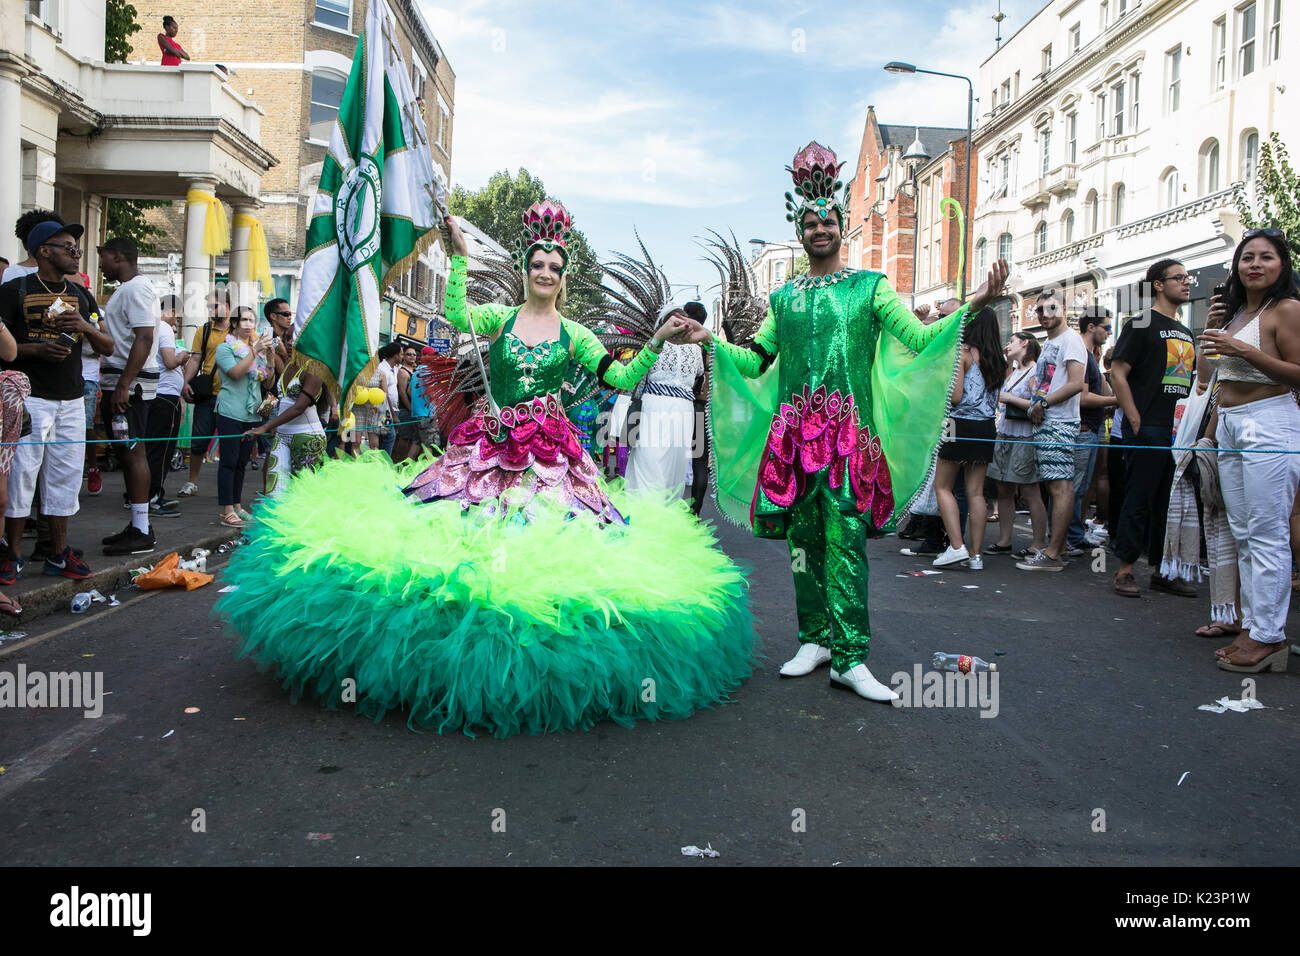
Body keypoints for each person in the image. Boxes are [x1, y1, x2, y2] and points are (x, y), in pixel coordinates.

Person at [216, 202, 757, 736]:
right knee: (460, 536)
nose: (545, 274)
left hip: (551, 457)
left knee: (547, 542)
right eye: (537, 265)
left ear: (563, 277)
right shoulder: (501, 318)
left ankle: (537, 659)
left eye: (555, 267)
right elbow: (455, 314)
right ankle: (446, 648)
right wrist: (459, 257)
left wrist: (657, 342)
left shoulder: (575, 334)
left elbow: (618, 379)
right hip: (486, 448)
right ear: (525, 272)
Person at [695, 141, 1008, 701]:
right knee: (803, 542)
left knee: (845, 543)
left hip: (847, 443)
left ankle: (850, 655)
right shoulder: (784, 296)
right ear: (801, 229)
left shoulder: (871, 288)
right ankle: (814, 639)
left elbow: (917, 338)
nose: (820, 228)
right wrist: (712, 344)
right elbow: (757, 358)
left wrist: (975, 302)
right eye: (810, 221)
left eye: (828, 220)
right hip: (793, 441)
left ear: (842, 226)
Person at [1198, 229, 1300, 673]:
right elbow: (1206, 374)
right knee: (1243, 533)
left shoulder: (1287, 310)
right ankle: (1255, 627)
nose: (1255, 264)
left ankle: (1269, 637)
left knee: (1267, 533)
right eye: (1247, 257)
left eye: (1266, 257)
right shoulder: (1237, 313)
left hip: (1270, 422)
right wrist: (1214, 332)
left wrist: (1242, 347)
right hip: (1233, 426)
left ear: (1283, 266)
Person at [0, 222, 112, 581]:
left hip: (71, 398)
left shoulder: (81, 295)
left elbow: (107, 346)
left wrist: (84, 325)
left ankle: (59, 553)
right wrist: (35, 349)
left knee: (64, 477)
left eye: (76, 248)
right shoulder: (14, 290)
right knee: (22, 476)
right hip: (29, 397)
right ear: (43, 251)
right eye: (68, 247)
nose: (76, 253)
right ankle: (11, 555)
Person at [1109, 259, 1197, 598]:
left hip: (1177, 432)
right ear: (1158, 284)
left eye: (1187, 278)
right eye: (1179, 278)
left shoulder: (1186, 331)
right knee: (1139, 498)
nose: (1186, 283)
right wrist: (1134, 419)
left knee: (1169, 503)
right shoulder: (1141, 322)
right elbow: (1118, 372)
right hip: (1147, 427)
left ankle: (1163, 570)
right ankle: (1125, 570)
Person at [96, 238, 160, 556]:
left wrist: (124, 384)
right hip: (122, 381)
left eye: (104, 257)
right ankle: (139, 524)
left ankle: (141, 529)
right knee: (127, 451)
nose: (101, 264)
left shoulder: (136, 288)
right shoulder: (129, 289)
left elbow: (144, 338)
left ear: (119, 257)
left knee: (133, 451)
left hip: (130, 386)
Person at [1016, 289, 1086, 572]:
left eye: (1051, 308)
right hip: (1047, 421)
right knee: (1055, 486)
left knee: (1060, 487)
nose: (1044, 314)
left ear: (1064, 310)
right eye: (1040, 310)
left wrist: (1041, 402)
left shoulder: (1071, 340)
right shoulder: (1052, 342)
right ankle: (1054, 549)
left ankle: (1054, 553)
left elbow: (1076, 383)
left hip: (1058, 422)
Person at [932, 307, 1006, 570]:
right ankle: (976, 555)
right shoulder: (1000, 360)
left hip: (958, 423)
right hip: (986, 428)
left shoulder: (963, 353)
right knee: (976, 492)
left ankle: (955, 546)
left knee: (942, 487)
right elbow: (995, 401)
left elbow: (955, 396)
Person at [624, 303, 705, 498]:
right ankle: (662, 516)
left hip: (657, 406)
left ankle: (645, 515)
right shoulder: (695, 349)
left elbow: (637, 375)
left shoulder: (655, 345)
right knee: (670, 467)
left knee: (651, 464)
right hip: (679, 410)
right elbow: (699, 376)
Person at [988, 331, 1048, 557]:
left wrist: (1010, 399)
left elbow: (1040, 404)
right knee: (1004, 488)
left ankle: (1038, 543)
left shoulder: (1034, 371)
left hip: (1024, 436)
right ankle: (1004, 540)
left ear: (1025, 343)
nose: (1007, 345)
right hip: (1004, 433)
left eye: (1012, 341)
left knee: (1029, 490)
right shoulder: (1013, 371)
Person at [213, 308, 272, 527]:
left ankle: (237, 505)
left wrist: (271, 358)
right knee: (229, 460)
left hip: (252, 412)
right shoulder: (225, 348)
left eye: (252, 320)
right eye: (243, 320)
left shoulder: (256, 349)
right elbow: (235, 373)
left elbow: (267, 382)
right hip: (230, 410)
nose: (248, 324)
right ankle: (227, 509)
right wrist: (255, 351)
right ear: (235, 323)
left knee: (242, 461)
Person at [1066, 306, 1118, 555]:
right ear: (1091, 327)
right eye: (1106, 327)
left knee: (1083, 486)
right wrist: (1115, 401)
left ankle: (1074, 534)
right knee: (1074, 487)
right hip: (1084, 427)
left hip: (1092, 427)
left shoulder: (1090, 356)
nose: (1109, 332)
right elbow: (1083, 398)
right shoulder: (1082, 355)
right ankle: (1066, 538)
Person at [244, 343, 327, 498]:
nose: (288, 342)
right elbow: (279, 396)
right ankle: (275, 522)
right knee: (274, 491)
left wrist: (267, 426)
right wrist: (271, 422)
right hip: (281, 436)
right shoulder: (288, 363)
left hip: (308, 438)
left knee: (304, 495)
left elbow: (299, 407)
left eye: (294, 338)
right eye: (287, 338)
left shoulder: (316, 368)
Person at [178, 289, 231, 496]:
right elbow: (195, 359)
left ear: (227, 305)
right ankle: (192, 482)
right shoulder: (205, 330)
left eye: (214, 305)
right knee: (199, 439)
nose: (211, 310)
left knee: (230, 443)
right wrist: (185, 382)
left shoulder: (238, 329)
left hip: (230, 394)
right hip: (208, 394)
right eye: (209, 306)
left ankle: (227, 487)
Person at [146, 295, 187, 516]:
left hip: (159, 394)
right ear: (171, 311)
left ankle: (144, 495)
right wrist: (183, 356)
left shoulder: (152, 327)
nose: (177, 321)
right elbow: (170, 361)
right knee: (160, 450)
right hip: (165, 396)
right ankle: (152, 497)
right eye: (177, 316)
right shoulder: (163, 328)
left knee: (153, 447)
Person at [392, 344, 419, 462]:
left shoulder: (415, 370)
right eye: (409, 354)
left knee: (412, 439)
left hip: (413, 410)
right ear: (404, 356)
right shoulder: (402, 372)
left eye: (414, 354)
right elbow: (402, 393)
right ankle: (398, 461)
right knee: (404, 438)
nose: (412, 357)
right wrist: (410, 409)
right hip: (406, 410)